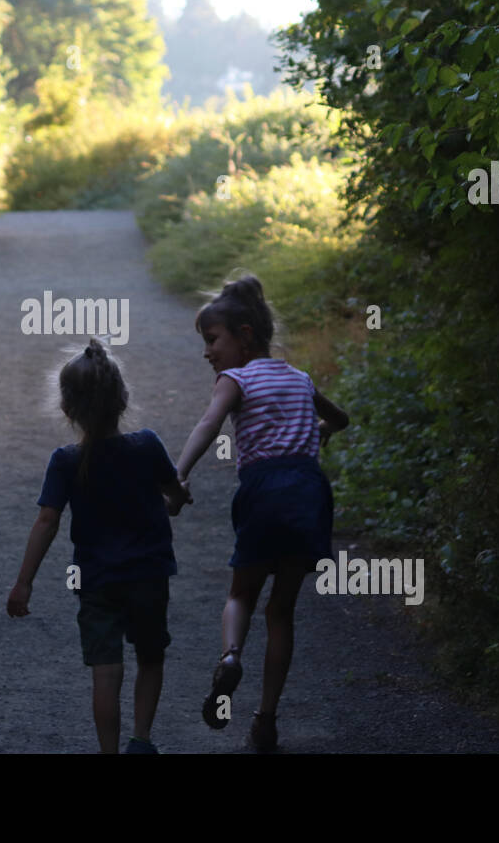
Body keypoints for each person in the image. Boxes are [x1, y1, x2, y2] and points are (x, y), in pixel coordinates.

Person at [173, 274, 349, 752]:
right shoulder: (299, 377)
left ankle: (230, 657)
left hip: (264, 490)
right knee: (282, 611)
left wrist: (179, 475)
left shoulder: (236, 378)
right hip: (309, 492)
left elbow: (209, 424)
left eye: (212, 341)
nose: (208, 352)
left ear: (244, 334)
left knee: (241, 594)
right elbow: (340, 418)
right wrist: (319, 433)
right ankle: (266, 719)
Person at [8, 338, 191, 754]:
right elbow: (173, 493)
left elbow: (46, 521)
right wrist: (177, 500)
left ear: (67, 408)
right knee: (150, 657)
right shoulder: (147, 445)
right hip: (148, 575)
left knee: (106, 674)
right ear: (122, 399)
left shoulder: (65, 460)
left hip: (96, 581)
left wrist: (24, 583)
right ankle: (141, 739)